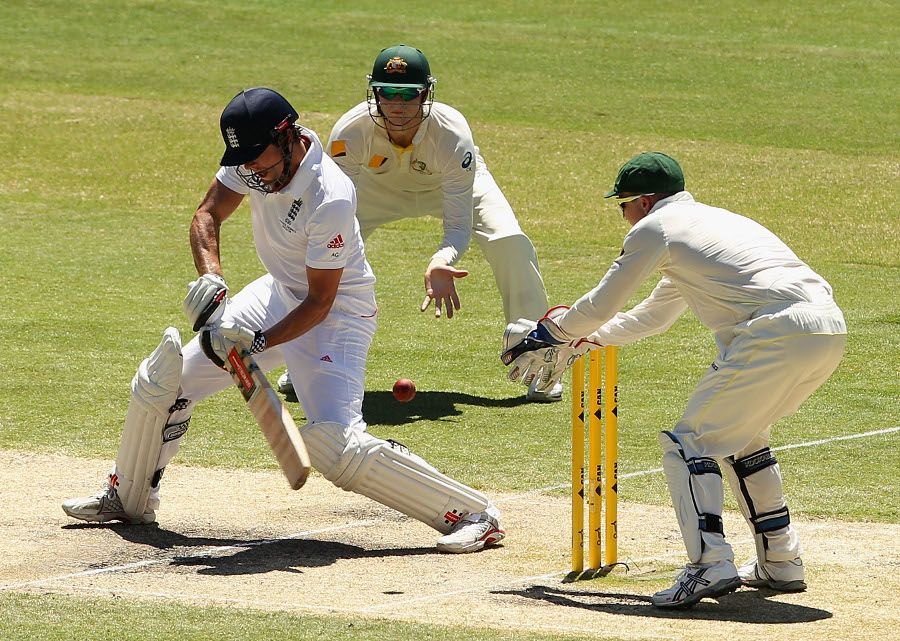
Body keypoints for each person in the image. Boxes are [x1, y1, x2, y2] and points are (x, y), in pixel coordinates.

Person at [62, 87, 505, 554]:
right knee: (163, 381)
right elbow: (208, 214)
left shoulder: (329, 194)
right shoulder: (254, 155)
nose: (254, 174)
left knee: (335, 447)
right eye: (247, 164)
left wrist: (252, 345)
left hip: (337, 316)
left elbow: (318, 301)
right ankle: (129, 498)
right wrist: (212, 279)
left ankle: (473, 512)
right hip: (276, 292)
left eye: (263, 163)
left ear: (287, 136)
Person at [502, 152, 846, 607]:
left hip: (773, 333)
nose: (621, 216)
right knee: (744, 441)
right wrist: (583, 341)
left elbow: (602, 304)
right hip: (826, 330)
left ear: (643, 202)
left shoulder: (654, 229)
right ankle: (780, 561)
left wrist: (549, 333)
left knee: (688, 444)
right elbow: (654, 317)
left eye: (621, 204)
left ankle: (709, 565)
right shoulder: (708, 226)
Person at [278, 44, 559, 402]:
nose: (398, 105)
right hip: (375, 187)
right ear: (375, 93)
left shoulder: (452, 134)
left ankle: (537, 358)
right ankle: (308, 359)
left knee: (510, 242)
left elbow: (458, 226)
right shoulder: (350, 132)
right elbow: (333, 210)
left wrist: (441, 260)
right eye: (388, 93)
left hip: (448, 184)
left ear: (426, 94)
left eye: (408, 95)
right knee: (320, 249)